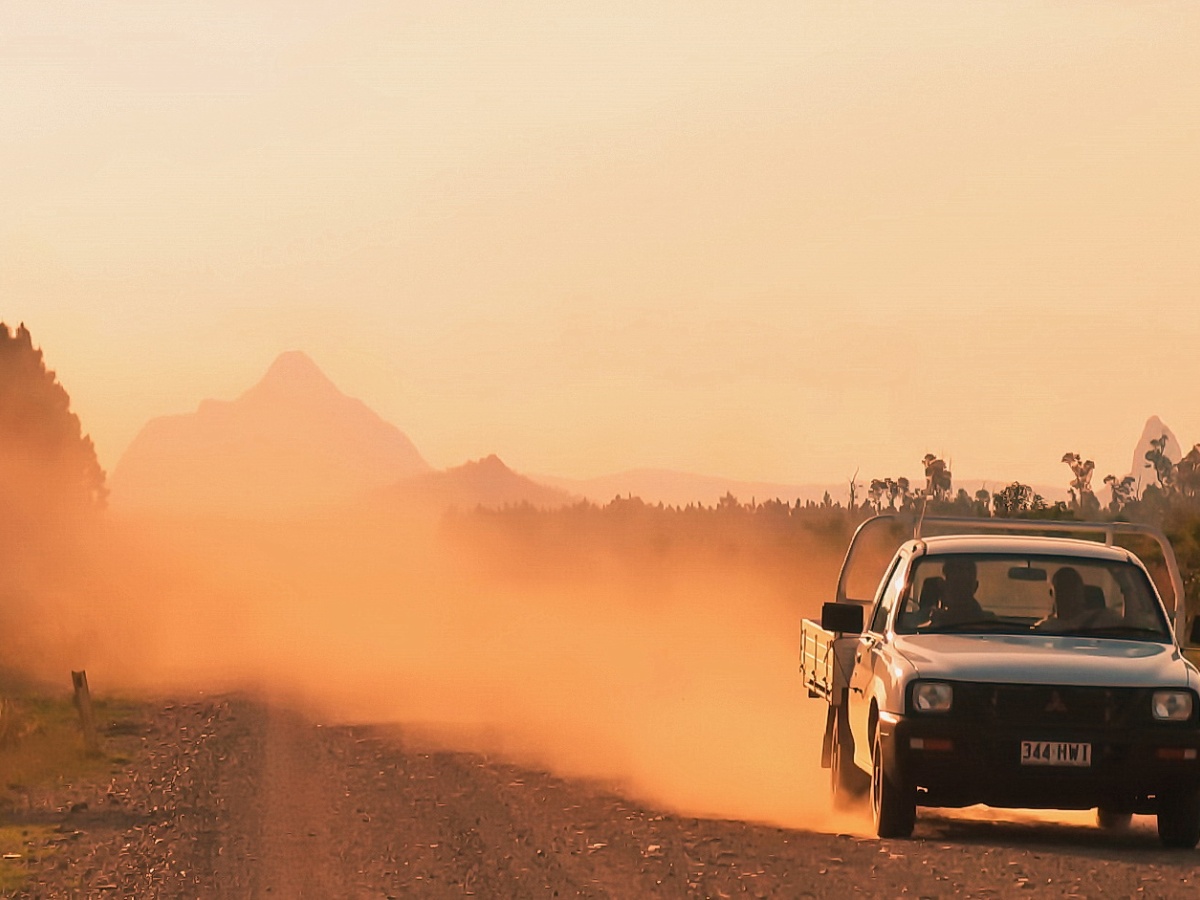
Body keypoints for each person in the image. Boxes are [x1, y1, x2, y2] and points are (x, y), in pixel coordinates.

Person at [1038, 566, 1120, 631]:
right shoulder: (1044, 628)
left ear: (1082, 592)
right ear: (1052, 594)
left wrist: (1128, 588)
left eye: (1072, 588)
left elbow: (1129, 628)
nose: (1067, 595)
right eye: (1062, 589)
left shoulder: (1104, 620)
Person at [927, 557, 991, 627]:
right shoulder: (990, 624)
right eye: (955, 583)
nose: (960, 589)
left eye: (965, 583)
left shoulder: (935, 625)